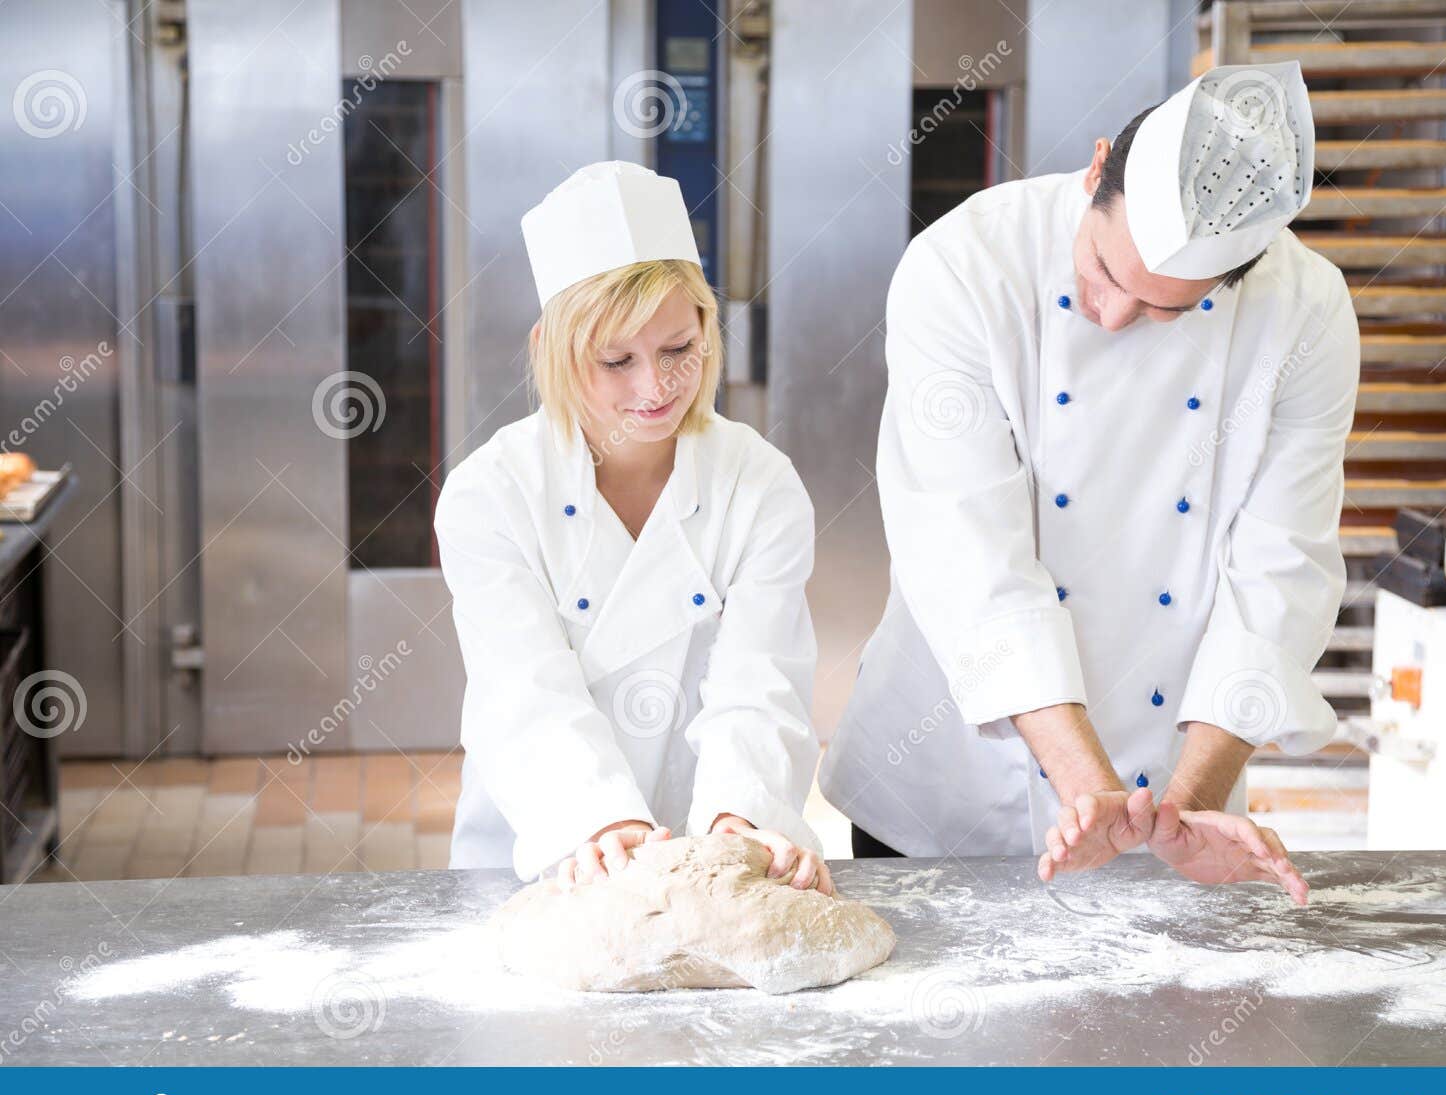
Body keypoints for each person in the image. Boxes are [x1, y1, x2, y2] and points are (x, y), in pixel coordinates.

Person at [821, 64, 1357, 905]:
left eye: (1164, 310)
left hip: (1173, 787)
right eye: (1105, 270)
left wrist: (1189, 806)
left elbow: (1281, 566)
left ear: (1239, 277)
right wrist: (1082, 784)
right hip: (944, 789)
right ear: (1097, 165)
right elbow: (966, 555)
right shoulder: (964, 266)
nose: (1111, 315)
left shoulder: (1308, 312)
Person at [439, 161, 829, 895]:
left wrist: (737, 820)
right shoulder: (491, 495)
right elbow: (526, 687)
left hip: (711, 848)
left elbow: (760, 682)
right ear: (547, 351)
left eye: (679, 349)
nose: (656, 388)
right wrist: (599, 820)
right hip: (549, 844)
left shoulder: (758, 484)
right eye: (615, 360)